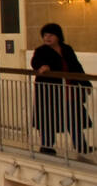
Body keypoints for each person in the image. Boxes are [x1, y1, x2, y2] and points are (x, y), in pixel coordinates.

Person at [30, 23, 92, 157]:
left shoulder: (67, 49)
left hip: (69, 90)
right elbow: (35, 62)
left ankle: (81, 145)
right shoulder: (41, 51)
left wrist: (85, 83)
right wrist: (43, 66)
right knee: (48, 118)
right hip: (50, 92)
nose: (47, 38)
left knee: (74, 118)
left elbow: (76, 67)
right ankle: (46, 145)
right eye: (45, 35)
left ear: (58, 36)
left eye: (50, 35)